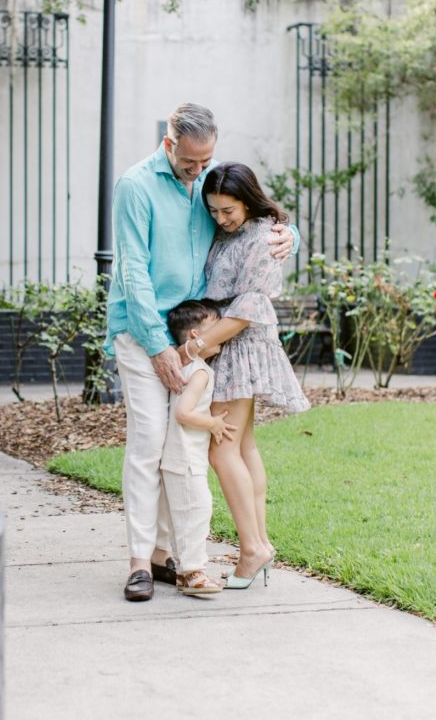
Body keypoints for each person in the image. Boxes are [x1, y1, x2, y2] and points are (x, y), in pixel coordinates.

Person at [107, 103, 296, 603]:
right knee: (150, 444)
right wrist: (160, 347)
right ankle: (140, 562)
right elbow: (132, 272)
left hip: (203, 339)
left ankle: (181, 556)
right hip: (150, 333)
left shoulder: (207, 185)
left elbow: (251, 218)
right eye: (190, 163)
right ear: (169, 145)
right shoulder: (136, 186)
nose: (198, 172)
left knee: (189, 450)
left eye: (205, 161)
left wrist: (287, 233)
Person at [181, 162, 311, 590]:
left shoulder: (262, 237)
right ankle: (259, 543)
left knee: (221, 448)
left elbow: (247, 309)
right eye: (214, 211)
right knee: (243, 444)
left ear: (248, 201)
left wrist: (196, 347)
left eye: (228, 211)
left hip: (238, 344)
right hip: (232, 342)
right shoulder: (239, 231)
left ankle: (254, 548)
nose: (220, 219)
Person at [157, 299, 236, 598]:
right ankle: (192, 572)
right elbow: (184, 414)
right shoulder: (200, 372)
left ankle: (185, 571)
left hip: (175, 456)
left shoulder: (181, 368)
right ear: (195, 336)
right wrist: (213, 424)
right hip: (187, 457)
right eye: (214, 327)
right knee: (197, 510)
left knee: (183, 514)